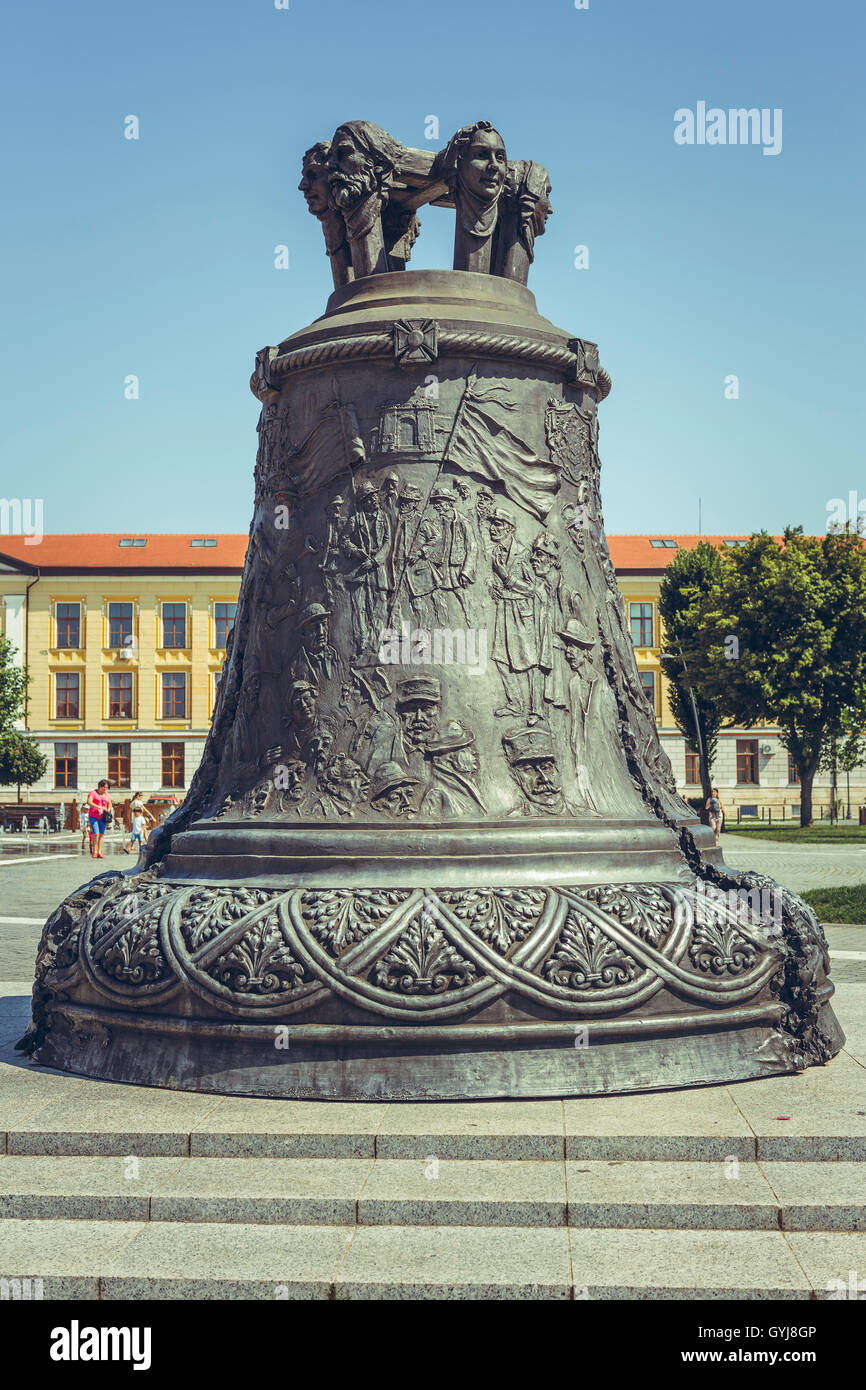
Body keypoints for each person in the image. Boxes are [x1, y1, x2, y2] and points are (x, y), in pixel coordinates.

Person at [86, 779, 112, 859]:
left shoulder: (107, 794)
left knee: (101, 834)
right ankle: (95, 851)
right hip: (93, 816)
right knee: (96, 833)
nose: (105, 789)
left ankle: (100, 852)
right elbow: (89, 802)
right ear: (100, 786)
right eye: (104, 787)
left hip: (103, 817)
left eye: (106, 788)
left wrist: (108, 809)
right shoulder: (93, 793)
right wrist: (99, 807)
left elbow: (110, 803)